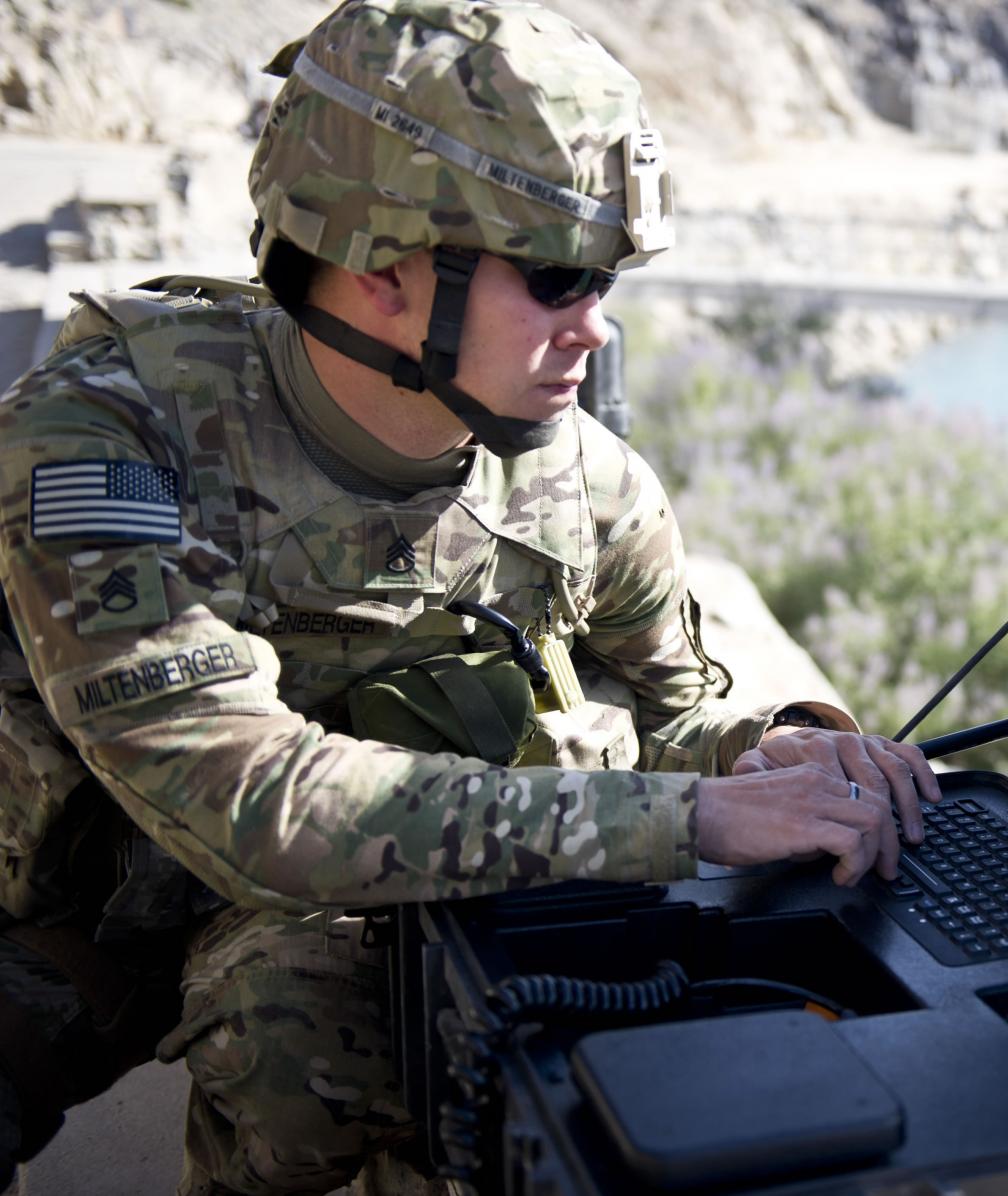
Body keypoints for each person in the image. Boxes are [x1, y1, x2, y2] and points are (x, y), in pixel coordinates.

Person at [0, 2, 940, 1192]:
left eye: (603, 280)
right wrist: (687, 819)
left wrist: (784, 754)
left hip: (331, 916)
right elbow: (236, 788)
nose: (593, 327)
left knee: (317, 1038)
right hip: (80, 909)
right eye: (555, 276)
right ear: (381, 267)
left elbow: (673, 717)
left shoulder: (585, 486)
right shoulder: (112, 428)